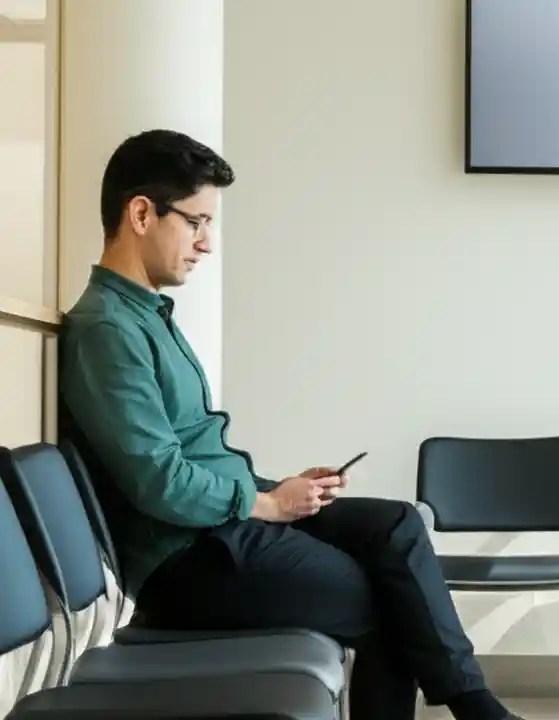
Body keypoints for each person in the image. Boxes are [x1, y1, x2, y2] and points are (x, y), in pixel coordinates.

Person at [59, 129, 523, 720]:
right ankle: (479, 710)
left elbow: (191, 460)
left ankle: (476, 705)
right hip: (187, 561)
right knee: (392, 600)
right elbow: (159, 481)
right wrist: (269, 505)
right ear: (142, 214)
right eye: (196, 221)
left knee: (395, 526)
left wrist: (278, 491)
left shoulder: (146, 316)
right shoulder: (106, 330)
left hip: (219, 530)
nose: (207, 243)